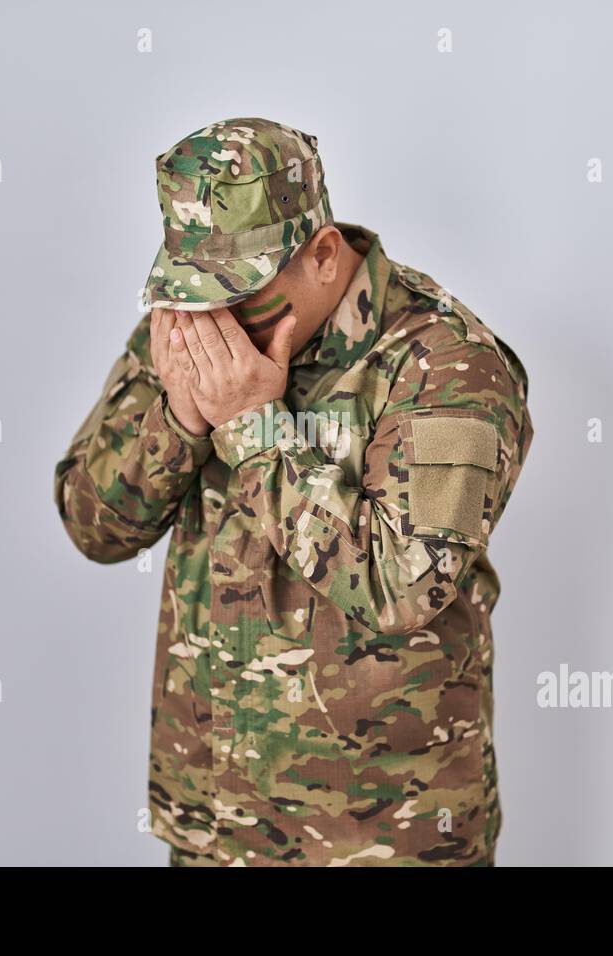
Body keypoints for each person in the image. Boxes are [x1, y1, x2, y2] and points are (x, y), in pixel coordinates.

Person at [54, 118, 533, 866]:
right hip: (212, 828)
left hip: (385, 841)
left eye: (241, 295)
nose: (218, 325)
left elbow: (400, 588)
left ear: (322, 254)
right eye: (193, 293)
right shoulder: (194, 330)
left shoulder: (447, 367)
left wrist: (251, 425)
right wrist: (180, 417)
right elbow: (93, 527)